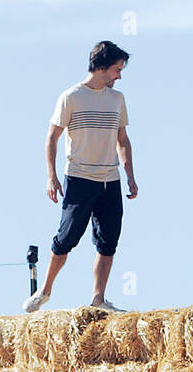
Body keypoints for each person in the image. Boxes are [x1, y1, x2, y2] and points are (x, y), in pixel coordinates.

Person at [24, 40, 138, 314]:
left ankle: (98, 299)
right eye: (116, 70)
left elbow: (122, 139)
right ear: (101, 68)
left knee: (108, 241)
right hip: (78, 179)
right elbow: (52, 137)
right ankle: (46, 291)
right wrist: (51, 177)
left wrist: (130, 175)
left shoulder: (117, 99)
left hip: (110, 181)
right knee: (67, 237)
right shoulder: (71, 97)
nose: (119, 76)